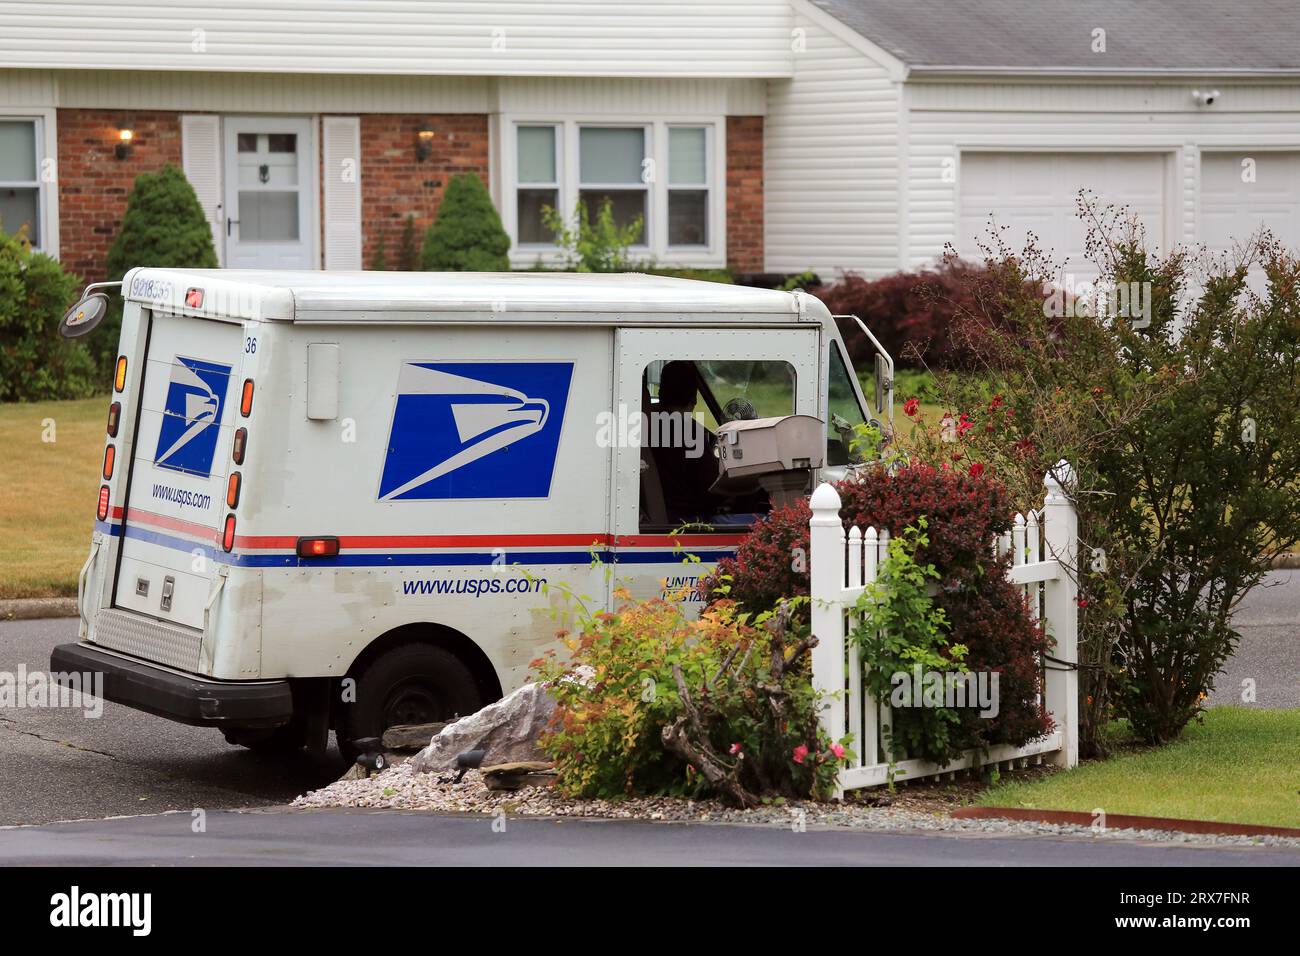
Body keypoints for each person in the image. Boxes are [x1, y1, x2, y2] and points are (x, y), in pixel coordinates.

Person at [647, 361, 722, 524]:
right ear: (693, 399)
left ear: (660, 393)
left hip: (660, 514)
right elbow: (713, 485)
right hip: (689, 518)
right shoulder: (692, 432)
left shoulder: (644, 425)